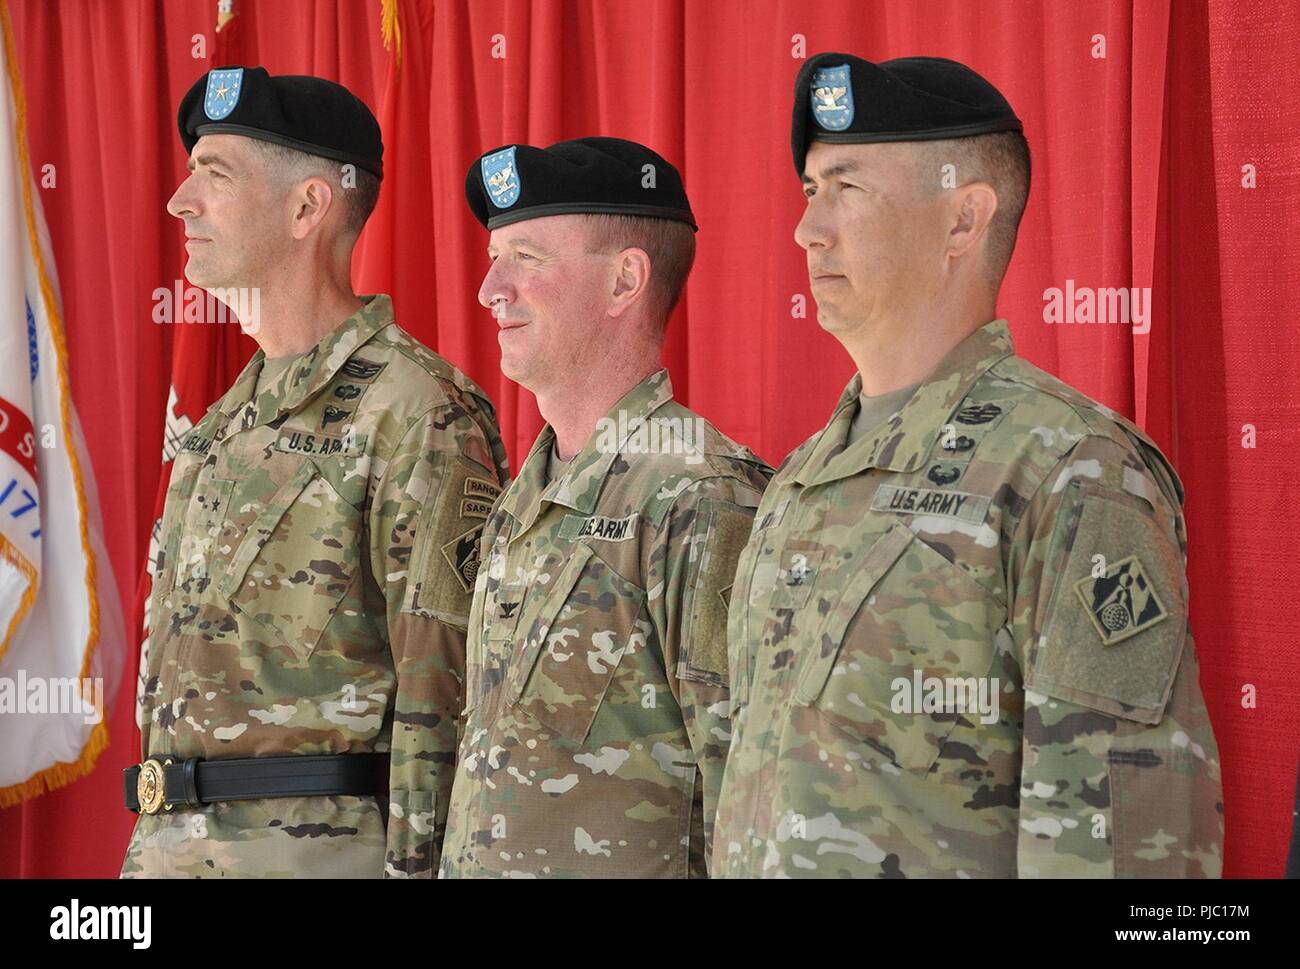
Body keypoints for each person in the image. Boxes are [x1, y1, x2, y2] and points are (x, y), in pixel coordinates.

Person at [712, 53, 1224, 877]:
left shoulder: (1071, 470)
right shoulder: (798, 481)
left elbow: (1128, 853)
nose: (807, 228)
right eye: (810, 191)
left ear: (961, 221)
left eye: (848, 187)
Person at [122, 66, 507, 878]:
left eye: (213, 174)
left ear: (307, 207)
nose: (178, 202)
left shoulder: (418, 410)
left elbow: (448, 702)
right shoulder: (224, 424)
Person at [439, 137, 772, 877]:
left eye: (526, 258)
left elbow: (750, 805)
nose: (490, 288)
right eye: (496, 258)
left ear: (625, 281)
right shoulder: (521, 504)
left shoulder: (704, 498)